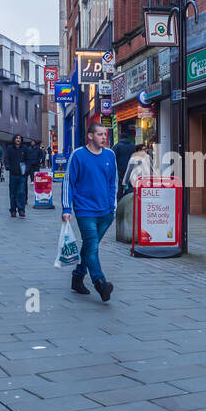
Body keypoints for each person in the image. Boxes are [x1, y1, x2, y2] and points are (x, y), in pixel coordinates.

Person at [62, 123, 118, 301]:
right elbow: (68, 182)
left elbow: (112, 182)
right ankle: (100, 284)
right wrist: (66, 208)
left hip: (106, 212)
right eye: (100, 134)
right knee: (92, 246)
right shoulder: (78, 155)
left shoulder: (110, 155)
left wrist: (112, 206)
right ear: (90, 136)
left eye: (105, 134)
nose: (104, 137)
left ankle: (77, 278)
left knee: (88, 247)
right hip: (85, 210)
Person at [4, 133, 28, 217]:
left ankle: (21, 209)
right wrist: (8, 166)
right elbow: (6, 158)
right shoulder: (10, 148)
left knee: (21, 192)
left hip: (22, 174)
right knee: (13, 193)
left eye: (19, 138)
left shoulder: (24, 149)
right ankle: (13, 210)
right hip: (13, 174)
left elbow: (28, 159)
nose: (18, 139)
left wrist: (27, 169)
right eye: (16, 138)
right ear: (14, 139)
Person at [113, 126, 137, 198]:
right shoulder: (133, 146)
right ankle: (130, 198)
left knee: (120, 185)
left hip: (120, 169)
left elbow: (113, 158)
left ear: (120, 138)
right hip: (131, 168)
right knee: (130, 184)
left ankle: (120, 200)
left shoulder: (117, 146)